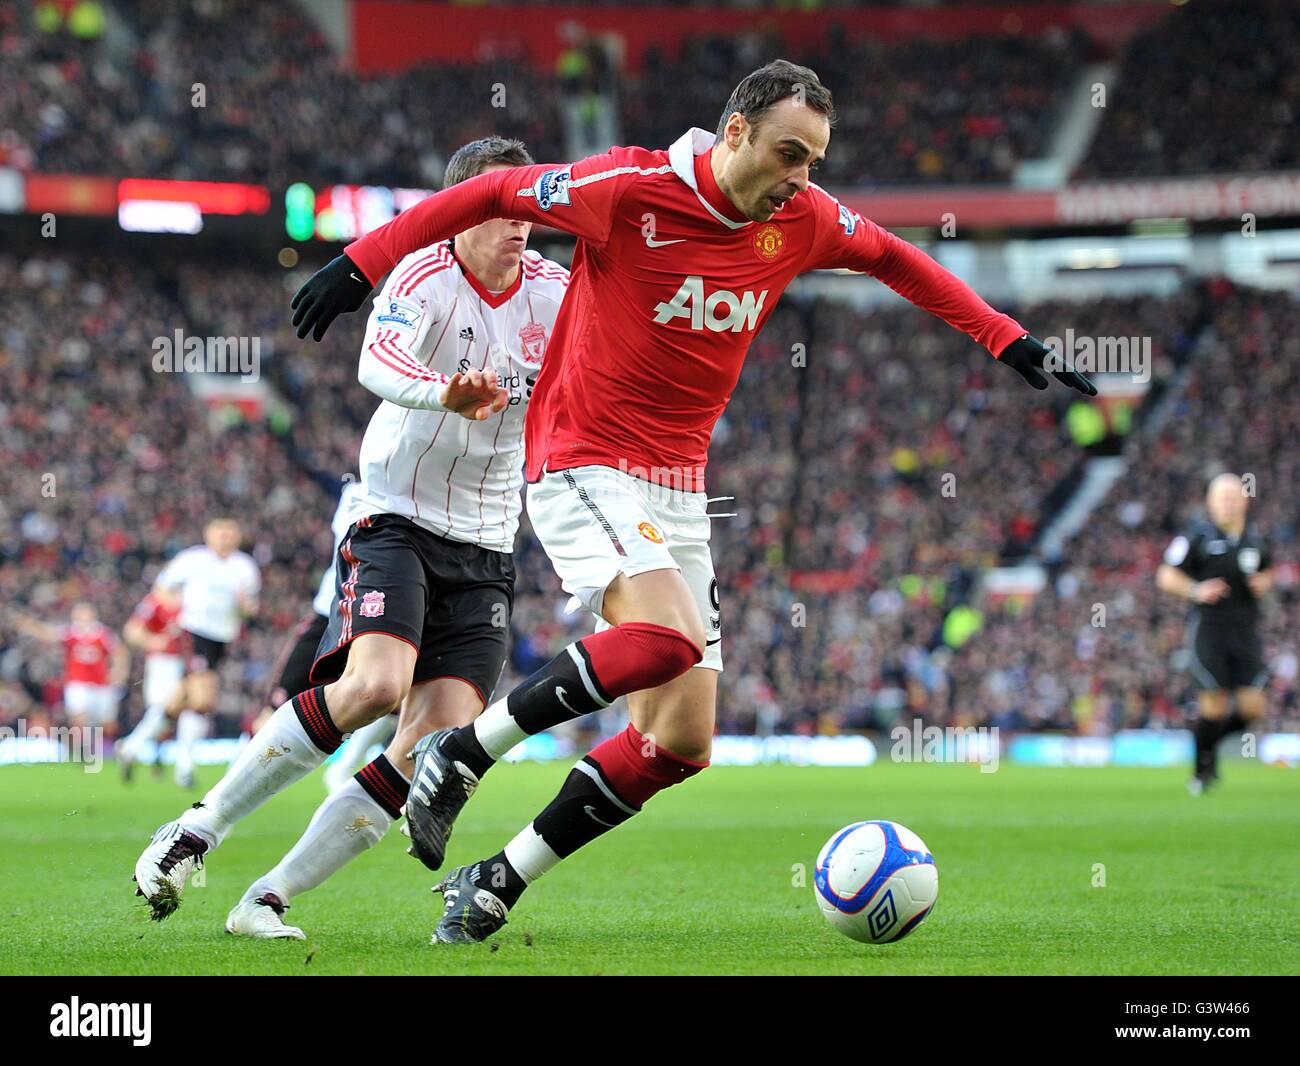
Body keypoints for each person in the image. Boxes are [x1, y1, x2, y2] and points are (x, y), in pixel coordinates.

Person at [291, 60, 1095, 944]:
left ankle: (496, 881)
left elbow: (897, 258)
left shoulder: (803, 219)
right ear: (737, 132)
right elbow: (488, 189)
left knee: (678, 743)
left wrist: (1007, 339)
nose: (802, 177)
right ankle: (468, 749)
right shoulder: (628, 187)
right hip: (580, 458)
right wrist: (363, 263)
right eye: (790, 152)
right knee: (664, 637)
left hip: (679, 484)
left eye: (816, 161)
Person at [132, 138, 570, 940]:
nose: (521, 222)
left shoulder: (556, 290)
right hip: (396, 514)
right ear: (462, 208)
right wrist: (445, 393)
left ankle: (267, 898)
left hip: (488, 542)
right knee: (373, 684)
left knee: (427, 747)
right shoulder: (423, 274)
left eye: (529, 206)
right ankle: (196, 828)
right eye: (501, 206)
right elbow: (379, 359)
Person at [1157, 472, 1273, 794]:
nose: (1228, 503)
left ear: (1245, 500)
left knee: (1253, 707)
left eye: (1233, 497)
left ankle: (1206, 747)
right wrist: (1195, 589)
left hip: (1246, 633)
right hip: (1209, 632)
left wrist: (1267, 582)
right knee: (1213, 707)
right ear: (1210, 503)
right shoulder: (1196, 538)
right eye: (1222, 498)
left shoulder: (1257, 540)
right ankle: (1201, 772)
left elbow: (1268, 571)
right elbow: (1166, 575)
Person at [148, 517, 260, 787]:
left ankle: (144, 737)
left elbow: (251, 608)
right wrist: (177, 610)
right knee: (203, 699)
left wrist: (245, 606)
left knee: (188, 697)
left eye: (231, 531)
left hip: (223, 639)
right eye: (220, 531)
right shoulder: (192, 559)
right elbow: (161, 589)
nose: (225, 536)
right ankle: (184, 766)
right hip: (194, 632)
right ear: (209, 534)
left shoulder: (245, 566)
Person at [117, 590, 186, 781]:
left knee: (170, 713)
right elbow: (132, 630)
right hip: (164, 663)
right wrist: (152, 641)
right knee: (165, 710)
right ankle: (133, 748)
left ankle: (133, 749)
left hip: (185, 662)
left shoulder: (191, 598)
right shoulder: (156, 601)